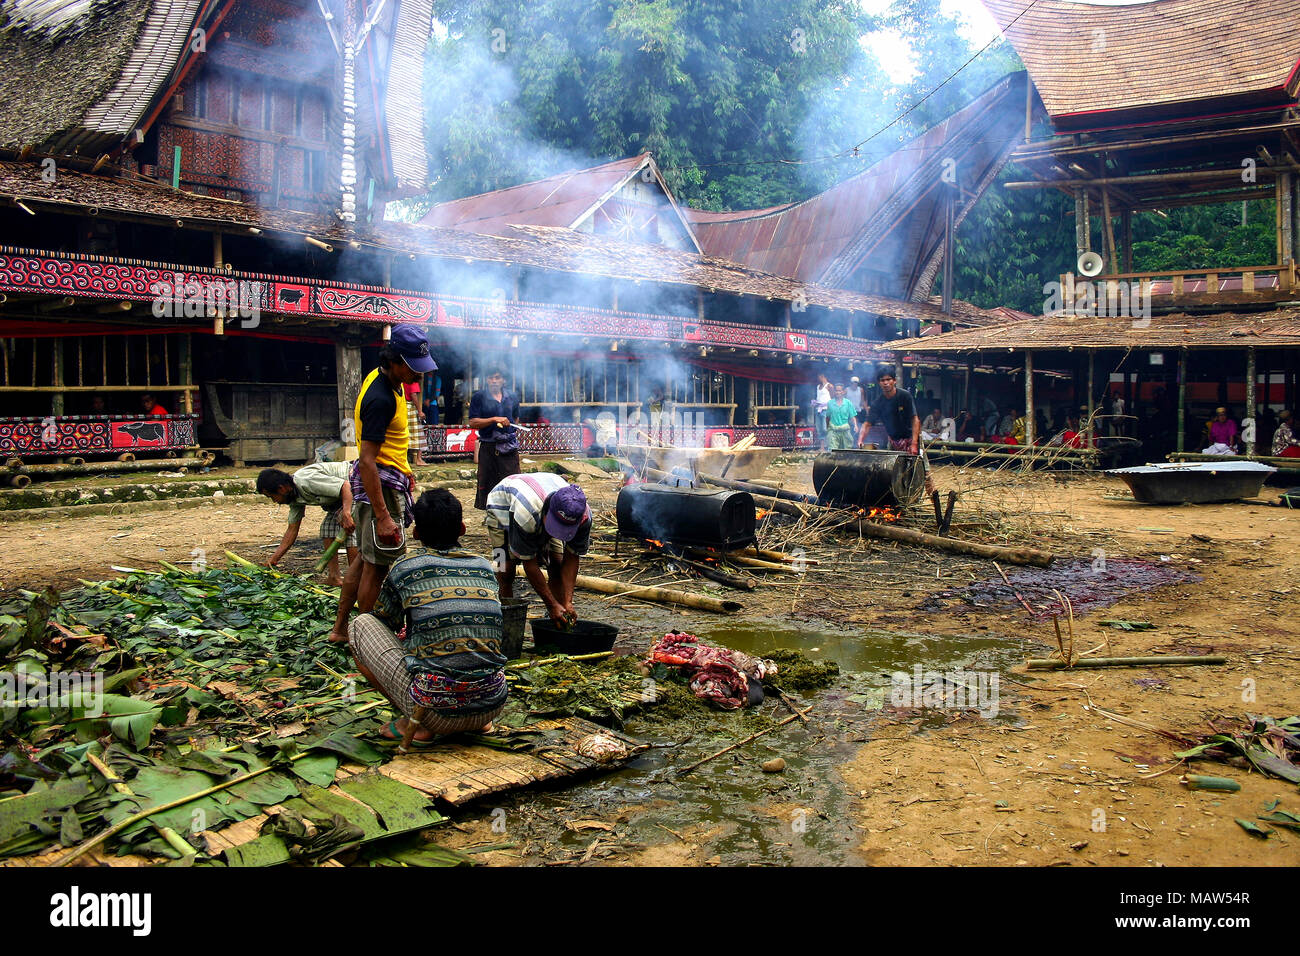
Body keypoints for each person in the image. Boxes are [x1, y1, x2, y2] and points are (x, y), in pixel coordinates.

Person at [349, 488, 507, 745]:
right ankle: (477, 721)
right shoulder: (483, 565)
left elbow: (385, 621)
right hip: (493, 703)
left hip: (435, 714)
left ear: (416, 533)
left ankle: (417, 724)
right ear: (462, 529)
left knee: (360, 625)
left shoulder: (406, 566)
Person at [327, 325, 436, 643]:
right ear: (394, 360)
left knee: (365, 559)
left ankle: (341, 630)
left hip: (389, 479)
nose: (418, 375)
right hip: (381, 489)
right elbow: (367, 461)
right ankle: (366, 640)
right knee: (377, 567)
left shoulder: (389, 380)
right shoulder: (380, 399)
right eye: (413, 367)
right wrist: (384, 516)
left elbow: (387, 446)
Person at [485, 473, 590, 627]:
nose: (558, 534)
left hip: (539, 506)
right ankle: (506, 617)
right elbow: (529, 563)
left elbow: (572, 557)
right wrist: (550, 604)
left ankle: (560, 615)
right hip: (501, 510)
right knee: (504, 568)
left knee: (557, 563)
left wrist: (568, 601)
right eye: (557, 527)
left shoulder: (582, 515)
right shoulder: (527, 514)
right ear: (547, 511)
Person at [257, 463, 358, 587]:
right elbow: (292, 530)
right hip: (339, 499)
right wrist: (274, 559)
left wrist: (347, 513)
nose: (274, 501)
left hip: (355, 485)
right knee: (327, 530)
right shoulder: (294, 497)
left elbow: (345, 486)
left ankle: (356, 580)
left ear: (281, 488)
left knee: (348, 531)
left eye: (272, 497)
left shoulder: (306, 481)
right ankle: (334, 577)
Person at [468, 366, 521, 509]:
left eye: (497, 378)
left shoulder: (512, 397)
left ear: (503, 380)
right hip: (488, 447)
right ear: (487, 380)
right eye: (491, 378)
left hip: (508, 447)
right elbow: (473, 422)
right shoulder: (479, 397)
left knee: (512, 482)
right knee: (488, 483)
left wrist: (508, 432)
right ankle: (491, 513)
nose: (494, 381)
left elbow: (515, 419)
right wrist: (493, 419)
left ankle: (511, 512)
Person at [856, 369, 920, 454]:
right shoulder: (878, 403)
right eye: (882, 380)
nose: (886, 383)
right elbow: (867, 424)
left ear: (894, 381)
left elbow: (915, 419)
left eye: (888, 379)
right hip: (893, 441)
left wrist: (914, 443)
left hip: (910, 439)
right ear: (879, 383)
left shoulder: (905, 396)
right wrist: (860, 440)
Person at [825, 384, 858, 450]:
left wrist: (855, 425)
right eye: (836, 390)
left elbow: (852, 416)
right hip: (833, 430)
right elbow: (827, 417)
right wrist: (828, 428)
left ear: (843, 392)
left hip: (845, 430)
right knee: (832, 450)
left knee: (846, 450)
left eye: (839, 390)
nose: (838, 392)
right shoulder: (830, 403)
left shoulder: (848, 403)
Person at [404, 380, 426, 467]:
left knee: (404, 434)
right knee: (419, 434)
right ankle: (418, 459)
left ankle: (405, 458)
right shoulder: (412, 381)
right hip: (410, 408)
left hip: (402, 407)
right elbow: (413, 394)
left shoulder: (401, 380)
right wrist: (420, 411)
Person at [812, 373, 830, 449]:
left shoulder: (829, 386)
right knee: (819, 428)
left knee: (825, 428)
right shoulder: (818, 386)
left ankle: (829, 446)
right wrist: (815, 402)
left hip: (826, 409)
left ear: (822, 376)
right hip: (818, 409)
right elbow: (819, 397)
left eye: (818, 377)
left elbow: (832, 399)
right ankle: (822, 447)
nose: (817, 378)